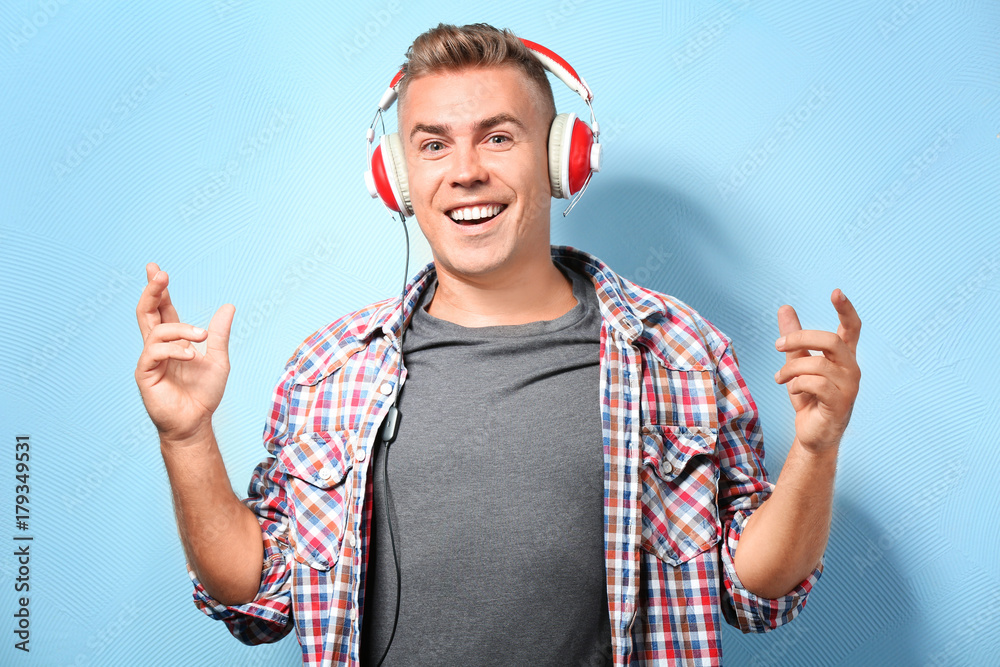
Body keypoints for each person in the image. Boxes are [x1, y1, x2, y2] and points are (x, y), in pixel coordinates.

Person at [133, 23, 861, 667]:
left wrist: (816, 450)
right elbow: (260, 596)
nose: (466, 170)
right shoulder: (328, 367)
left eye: (498, 136)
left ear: (559, 158)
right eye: (433, 144)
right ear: (398, 177)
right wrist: (187, 435)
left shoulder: (681, 352)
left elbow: (755, 591)